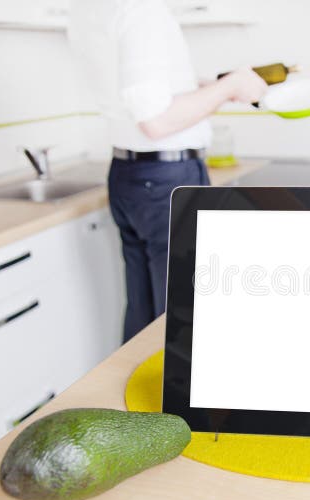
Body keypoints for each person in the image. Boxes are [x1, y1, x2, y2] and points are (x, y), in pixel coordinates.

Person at [68, 0, 267, 342]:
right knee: (182, 314)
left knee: (145, 312)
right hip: (166, 179)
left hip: (128, 175)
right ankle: (175, 394)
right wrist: (230, 86)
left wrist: (216, 89)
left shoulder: (88, 7)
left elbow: (144, 95)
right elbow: (156, 120)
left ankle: (143, 395)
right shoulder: (141, 10)